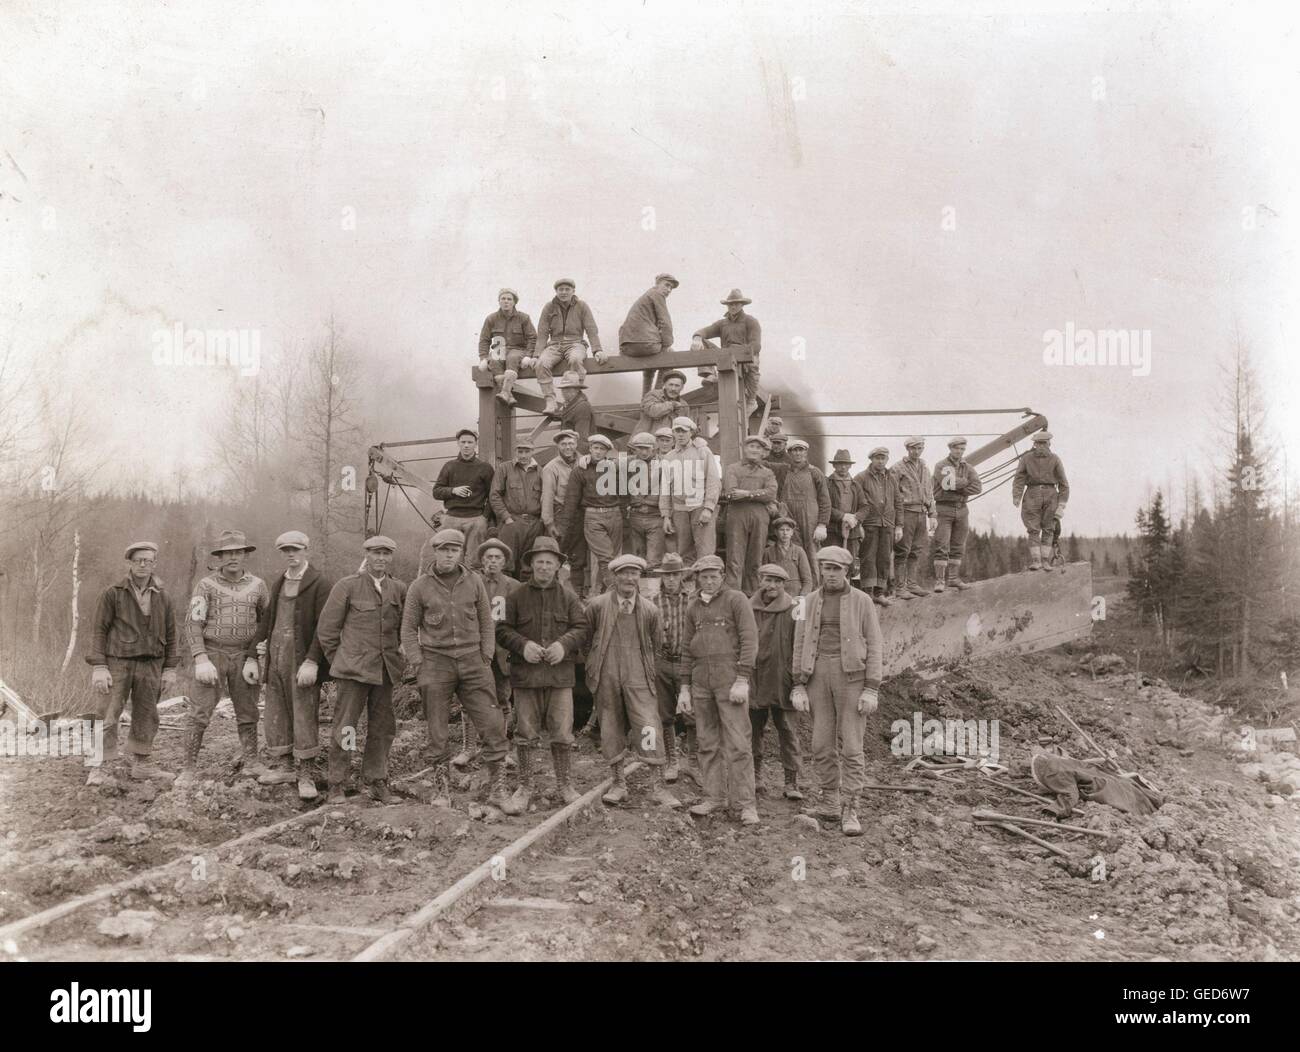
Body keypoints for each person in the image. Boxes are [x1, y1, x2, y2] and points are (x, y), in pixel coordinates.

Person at [402, 529, 517, 813]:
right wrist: (419, 663)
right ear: (435, 552)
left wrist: (486, 655)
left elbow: (487, 623)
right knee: (437, 729)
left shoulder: (474, 581)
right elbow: (407, 629)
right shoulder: (419, 586)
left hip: (472, 661)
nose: (448, 555)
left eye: (454, 550)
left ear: (461, 553)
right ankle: (441, 790)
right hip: (436, 662)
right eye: (443, 550)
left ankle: (497, 790)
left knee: (492, 722)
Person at [790, 546, 882, 837]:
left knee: (852, 746)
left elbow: (876, 644)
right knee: (820, 744)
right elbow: (799, 641)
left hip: (851, 678)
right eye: (826, 568)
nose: (830, 574)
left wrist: (871, 688)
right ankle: (830, 799)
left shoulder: (862, 601)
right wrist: (798, 684)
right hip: (817, 676)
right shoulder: (808, 602)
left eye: (836, 569)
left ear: (847, 571)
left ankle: (850, 806)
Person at [496, 536, 589, 809]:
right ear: (531, 565)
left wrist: (564, 644)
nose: (545, 567)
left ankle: (565, 785)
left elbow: (582, 628)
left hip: (560, 677)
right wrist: (522, 645)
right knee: (525, 733)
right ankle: (525, 786)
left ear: (558, 565)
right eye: (540, 562)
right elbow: (501, 629)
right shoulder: (514, 596)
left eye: (550, 562)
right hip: (526, 677)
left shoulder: (569, 597)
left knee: (562, 733)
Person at [584, 554, 681, 809]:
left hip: (639, 674)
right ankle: (618, 784)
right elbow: (587, 641)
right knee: (611, 726)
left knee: (648, 725)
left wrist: (642, 668)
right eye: (624, 573)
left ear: (640, 577)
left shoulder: (649, 610)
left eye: (634, 573)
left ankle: (657, 787)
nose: (629, 578)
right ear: (614, 577)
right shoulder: (597, 606)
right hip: (608, 673)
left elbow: (657, 644)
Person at [315, 536, 407, 804]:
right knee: (347, 728)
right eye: (376, 553)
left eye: (386, 554)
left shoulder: (399, 588)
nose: (380, 559)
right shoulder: (347, 586)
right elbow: (327, 630)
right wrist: (340, 660)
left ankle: (377, 780)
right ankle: (337, 783)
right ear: (366, 555)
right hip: (353, 671)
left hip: (385, 671)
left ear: (391, 558)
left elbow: (403, 627)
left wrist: (398, 653)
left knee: (383, 727)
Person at [84, 541, 181, 787]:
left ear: (154, 564)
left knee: (147, 714)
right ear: (129, 562)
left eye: (148, 560)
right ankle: (97, 766)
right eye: (138, 560)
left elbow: (171, 634)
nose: (143, 565)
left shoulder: (163, 596)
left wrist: (169, 669)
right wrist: (99, 667)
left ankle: (142, 764)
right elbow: (98, 631)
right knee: (107, 713)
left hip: (151, 665)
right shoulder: (113, 593)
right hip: (118, 663)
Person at [180, 529, 271, 786]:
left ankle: (251, 761)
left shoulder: (259, 586)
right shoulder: (206, 585)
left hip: (245, 655)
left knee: (248, 711)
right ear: (219, 556)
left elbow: (266, 623)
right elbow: (193, 623)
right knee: (199, 712)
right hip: (213, 654)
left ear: (245, 555)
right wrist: (200, 658)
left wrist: (259, 651)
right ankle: (188, 768)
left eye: (238, 552)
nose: (233, 557)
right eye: (227, 553)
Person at [246, 531, 332, 800]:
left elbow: (325, 627)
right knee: (277, 709)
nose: (290, 555)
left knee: (304, 713)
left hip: (301, 657)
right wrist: (252, 656)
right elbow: (267, 621)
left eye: (295, 549)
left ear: (306, 549)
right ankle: (284, 766)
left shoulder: (320, 583)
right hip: (276, 655)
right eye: (285, 551)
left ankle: (305, 772)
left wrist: (312, 661)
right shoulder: (279, 582)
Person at [679, 554, 760, 826]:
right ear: (697, 578)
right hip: (701, 679)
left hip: (729, 678)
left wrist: (742, 678)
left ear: (722, 576)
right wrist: (684, 688)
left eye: (714, 576)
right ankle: (714, 797)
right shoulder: (692, 607)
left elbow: (750, 640)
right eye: (704, 576)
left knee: (738, 744)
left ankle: (746, 805)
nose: (710, 581)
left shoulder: (736, 600)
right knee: (707, 743)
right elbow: (686, 649)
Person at [451, 538, 520, 771]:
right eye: (488, 557)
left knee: (503, 699)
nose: (492, 561)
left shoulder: (514, 586)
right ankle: (469, 748)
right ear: (481, 560)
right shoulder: (470, 582)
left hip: (502, 652)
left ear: (505, 562)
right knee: (469, 699)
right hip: (475, 649)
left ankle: (502, 749)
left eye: (497, 558)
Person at [750, 564, 804, 801]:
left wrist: (799, 680)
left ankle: (791, 781)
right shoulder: (748, 607)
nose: (772, 586)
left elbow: (801, 643)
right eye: (768, 580)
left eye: (777, 581)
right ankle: (755, 776)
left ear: (784, 584)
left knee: (788, 731)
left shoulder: (795, 608)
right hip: (755, 679)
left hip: (784, 680)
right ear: (760, 580)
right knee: (753, 731)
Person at [560, 433, 627, 594]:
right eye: (595, 448)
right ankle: (618, 593)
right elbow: (571, 500)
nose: (598, 452)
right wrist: (565, 526)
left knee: (611, 558)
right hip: (593, 516)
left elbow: (625, 493)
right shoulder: (580, 470)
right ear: (589, 449)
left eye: (602, 449)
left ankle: (596, 593)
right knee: (606, 558)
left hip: (614, 515)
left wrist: (623, 515)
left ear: (607, 451)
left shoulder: (614, 468)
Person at [651, 553, 695, 784]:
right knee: (665, 714)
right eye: (667, 575)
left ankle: (694, 761)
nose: (671, 580)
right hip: (663, 661)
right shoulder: (653, 601)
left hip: (687, 661)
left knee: (692, 712)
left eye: (675, 575)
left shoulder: (693, 600)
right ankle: (671, 760)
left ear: (681, 576)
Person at [533, 278, 604, 415]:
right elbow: (542, 333)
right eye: (561, 289)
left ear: (573, 291)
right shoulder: (549, 307)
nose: (564, 292)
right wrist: (536, 355)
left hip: (575, 343)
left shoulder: (582, 306)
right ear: (556, 291)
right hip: (554, 344)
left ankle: (574, 399)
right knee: (541, 364)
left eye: (567, 289)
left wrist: (597, 350)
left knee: (576, 360)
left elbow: (591, 329)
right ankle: (550, 401)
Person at [659, 416, 720, 566]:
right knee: (684, 552)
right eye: (677, 431)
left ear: (691, 433)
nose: (680, 435)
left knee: (705, 552)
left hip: (699, 508)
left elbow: (713, 481)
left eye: (683, 431)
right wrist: (666, 516)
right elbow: (665, 489)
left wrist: (708, 508)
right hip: (679, 511)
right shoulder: (668, 457)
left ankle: (706, 588)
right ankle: (687, 588)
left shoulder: (703, 452)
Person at [721, 433, 779, 593]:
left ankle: (753, 596)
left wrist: (747, 494)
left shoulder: (767, 472)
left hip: (760, 518)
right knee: (734, 558)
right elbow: (731, 493)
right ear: (744, 449)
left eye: (758, 447)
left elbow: (772, 493)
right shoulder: (733, 468)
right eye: (751, 446)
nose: (754, 450)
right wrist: (760, 494)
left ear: (763, 452)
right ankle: (733, 595)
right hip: (737, 516)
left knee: (755, 559)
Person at [691, 288, 762, 415]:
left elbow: (756, 345)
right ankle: (709, 374)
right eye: (730, 304)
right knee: (703, 343)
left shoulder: (751, 321)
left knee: (753, 367)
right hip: (726, 357)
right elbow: (706, 331)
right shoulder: (722, 323)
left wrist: (738, 350)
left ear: (742, 305)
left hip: (745, 358)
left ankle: (751, 400)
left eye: (736, 304)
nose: (733, 306)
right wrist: (697, 337)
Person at [432, 428, 495, 569]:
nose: (466, 445)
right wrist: (453, 490)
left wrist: (484, 518)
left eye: (470, 442)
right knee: (450, 561)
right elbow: (436, 491)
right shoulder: (449, 466)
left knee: (474, 563)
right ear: (458, 444)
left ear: (475, 444)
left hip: (475, 520)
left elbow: (493, 496)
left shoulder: (485, 468)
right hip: (451, 519)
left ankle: (472, 589)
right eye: (463, 442)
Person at [853, 447, 905, 605]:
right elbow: (856, 503)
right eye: (877, 458)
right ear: (871, 459)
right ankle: (867, 593)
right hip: (869, 523)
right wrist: (859, 524)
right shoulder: (861, 478)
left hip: (888, 524)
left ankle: (879, 592)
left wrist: (899, 526)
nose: (880, 461)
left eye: (883, 458)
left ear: (887, 460)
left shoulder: (892, 478)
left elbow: (898, 502)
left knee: (884, 558)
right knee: (868, 557)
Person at [1012, 431, 1070, 572]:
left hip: (1051, 495)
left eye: (1044, 443)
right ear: (1034, 444)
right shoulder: (1026, 459)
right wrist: (1017, 496)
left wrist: (1061, 505)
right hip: (1032, 494)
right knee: (1033, 529)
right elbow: (1019, 478)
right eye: (1038, 443)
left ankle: (1045, 561)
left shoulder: (1055, 459)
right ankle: (1036, 561)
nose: (1041, 446)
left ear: (1049, 444)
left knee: (1049, 528)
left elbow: (1064, 484)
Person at [932, 437, 983, 592]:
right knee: (942, 545)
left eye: (962, 449)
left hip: (962, 509)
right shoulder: (941, 465)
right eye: (956, 449)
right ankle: (940, 581)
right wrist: (965, 482)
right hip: (943, 508)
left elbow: (978, 487)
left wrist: (958, 484)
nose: (959, 452)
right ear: (951, 449)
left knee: (958, 546)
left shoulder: (967, 467)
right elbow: (947, 484)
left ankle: (953, 579)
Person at [541, 428, 588, 595]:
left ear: (576, 444)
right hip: (561, 515)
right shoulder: (551, 468)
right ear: (558, 446)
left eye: (570, 443)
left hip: (581, 514)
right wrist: (549, 522)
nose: (568, 447)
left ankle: (577, 594)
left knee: (579, 556)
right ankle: (555, 592)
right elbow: (547, 496)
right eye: (563, 444)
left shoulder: (584, 461)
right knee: (558, 553)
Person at [490, 439, 544, 581]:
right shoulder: (504, 468)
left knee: (528, 564)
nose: (523, 455)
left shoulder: (540, 471)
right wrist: (506, 518)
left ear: (533, 451)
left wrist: (541, 522)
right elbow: (495, 495)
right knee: (506, 562)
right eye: (520, 451)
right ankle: (504, 597)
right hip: (512, 522)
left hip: (534, 524)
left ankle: (525, 597)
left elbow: (547, 496)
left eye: (527, 451)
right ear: (516, 452)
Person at [779, 438, 831, 585]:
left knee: (812, 555)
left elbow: (825, 500)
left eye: (800, 450)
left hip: (810, 519)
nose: (797, 453)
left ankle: (816, 589)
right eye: (794, 450)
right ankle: (794, 587)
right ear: (789, 453)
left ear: (806, 452)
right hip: (789, 518)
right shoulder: (784, 471)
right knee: (791, 552)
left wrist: (822, 524)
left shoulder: (815, 473)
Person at [891, 437, 936, 598]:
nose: (916, 452)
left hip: (921, 513)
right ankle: (900, 588)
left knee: (916, 550)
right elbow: (893, 495)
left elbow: (929, 493)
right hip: (906, 512)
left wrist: (932, 515)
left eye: (919, 448)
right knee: (902, 550)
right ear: (907, 449)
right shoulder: (897, 468)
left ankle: (912, 584)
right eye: (913, 448)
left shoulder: (925, 467)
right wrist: (898, 522)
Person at [477, 288, 537, 406]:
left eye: (509, 299)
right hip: (500, 349)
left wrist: (528, 356)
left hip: (518, 350)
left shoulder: (523, 318)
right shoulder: (491, 318)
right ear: (499, 301)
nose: (506, 301)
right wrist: (483, 358)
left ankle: (505, 392)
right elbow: (484, 340)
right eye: (503, 299)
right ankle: (508, 396)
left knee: (512, 358)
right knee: (493, 361)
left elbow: (532, 338)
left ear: (514, 302)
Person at [618, 273, 677, 386]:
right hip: (644, 344)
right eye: (667, 285)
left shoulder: (647, 296)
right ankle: (657, 395)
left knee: (653, 357)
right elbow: (666, 323)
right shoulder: (657, 294)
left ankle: (646, 397)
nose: (669, 290)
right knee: (670, 355)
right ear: (657, 284)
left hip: (627, 347)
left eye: (671, 288)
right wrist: (667, 344)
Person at [626, 431, 666, 570]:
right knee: (637, 560)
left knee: (653, 560)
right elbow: (607, 466)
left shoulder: (663, 464)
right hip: (635, 516)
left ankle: (653, 591)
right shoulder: (628, 463)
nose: (643, 452)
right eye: (639, 448)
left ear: (653, 448)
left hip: (655, 516)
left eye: (647, 448)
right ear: (634, 449)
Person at [826, 449, 864, 582]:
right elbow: (824, 506)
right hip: (833, 531)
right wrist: (842, 516)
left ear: (850, 466)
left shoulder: (855, 485)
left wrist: (855, 518)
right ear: (834, 465)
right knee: (833, 562)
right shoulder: (827, 484)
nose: (843, 467)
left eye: (846, 464)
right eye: (840, 464)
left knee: (850, 563)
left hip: (852, 531)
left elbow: (865, 507)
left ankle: (847, 591)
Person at [763, 517, 814, 596]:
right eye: (781, 530)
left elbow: (807, 580)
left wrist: (802, 597)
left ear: (792, 532)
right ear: (776, 532)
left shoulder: (799, 551)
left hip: (795, 596)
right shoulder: (768, 552)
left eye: (788, 530)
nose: (785, 533)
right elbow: (763, 579)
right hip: (775, 597)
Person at [635, 369, 689, 436]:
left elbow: (684, 426)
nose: (673, 389)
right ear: (665, 385)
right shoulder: (653, 394)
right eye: (670, 385)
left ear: (682, 387)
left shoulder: (684, 405)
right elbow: (653, 411)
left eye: (677, 386)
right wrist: (672, 404)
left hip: (669, 444)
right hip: (645, 442)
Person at [553, 371, 594, 445]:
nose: (563, 392)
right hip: (569, 448)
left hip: (576, 451)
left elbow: (582, 438)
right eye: (563, 389)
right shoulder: (570, 404)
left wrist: (577, 456)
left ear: (577, 390)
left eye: (568, 389)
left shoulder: (582, 407)